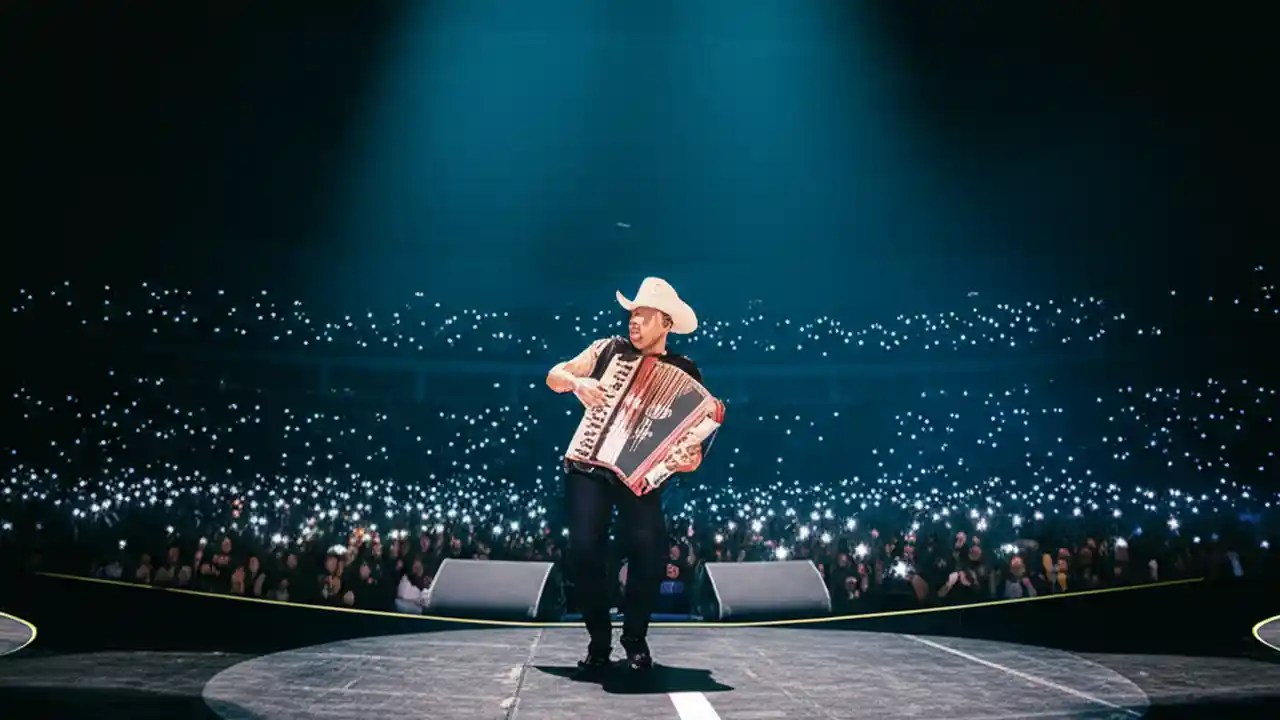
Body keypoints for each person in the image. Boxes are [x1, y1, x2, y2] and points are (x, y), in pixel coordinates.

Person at [546, 277, 716, 672]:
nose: (634, 321)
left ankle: (634, 638)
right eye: (632, 314)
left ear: (666, 324)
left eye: (644, 315)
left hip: (638, 474)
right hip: (589, 462)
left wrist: (688, 458)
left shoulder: (684, 372)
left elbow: (692, 440)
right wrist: (576, 383)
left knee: (650, 550)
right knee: (585, 550)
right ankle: (599, 641)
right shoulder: (606, 350)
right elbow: (554, 374)